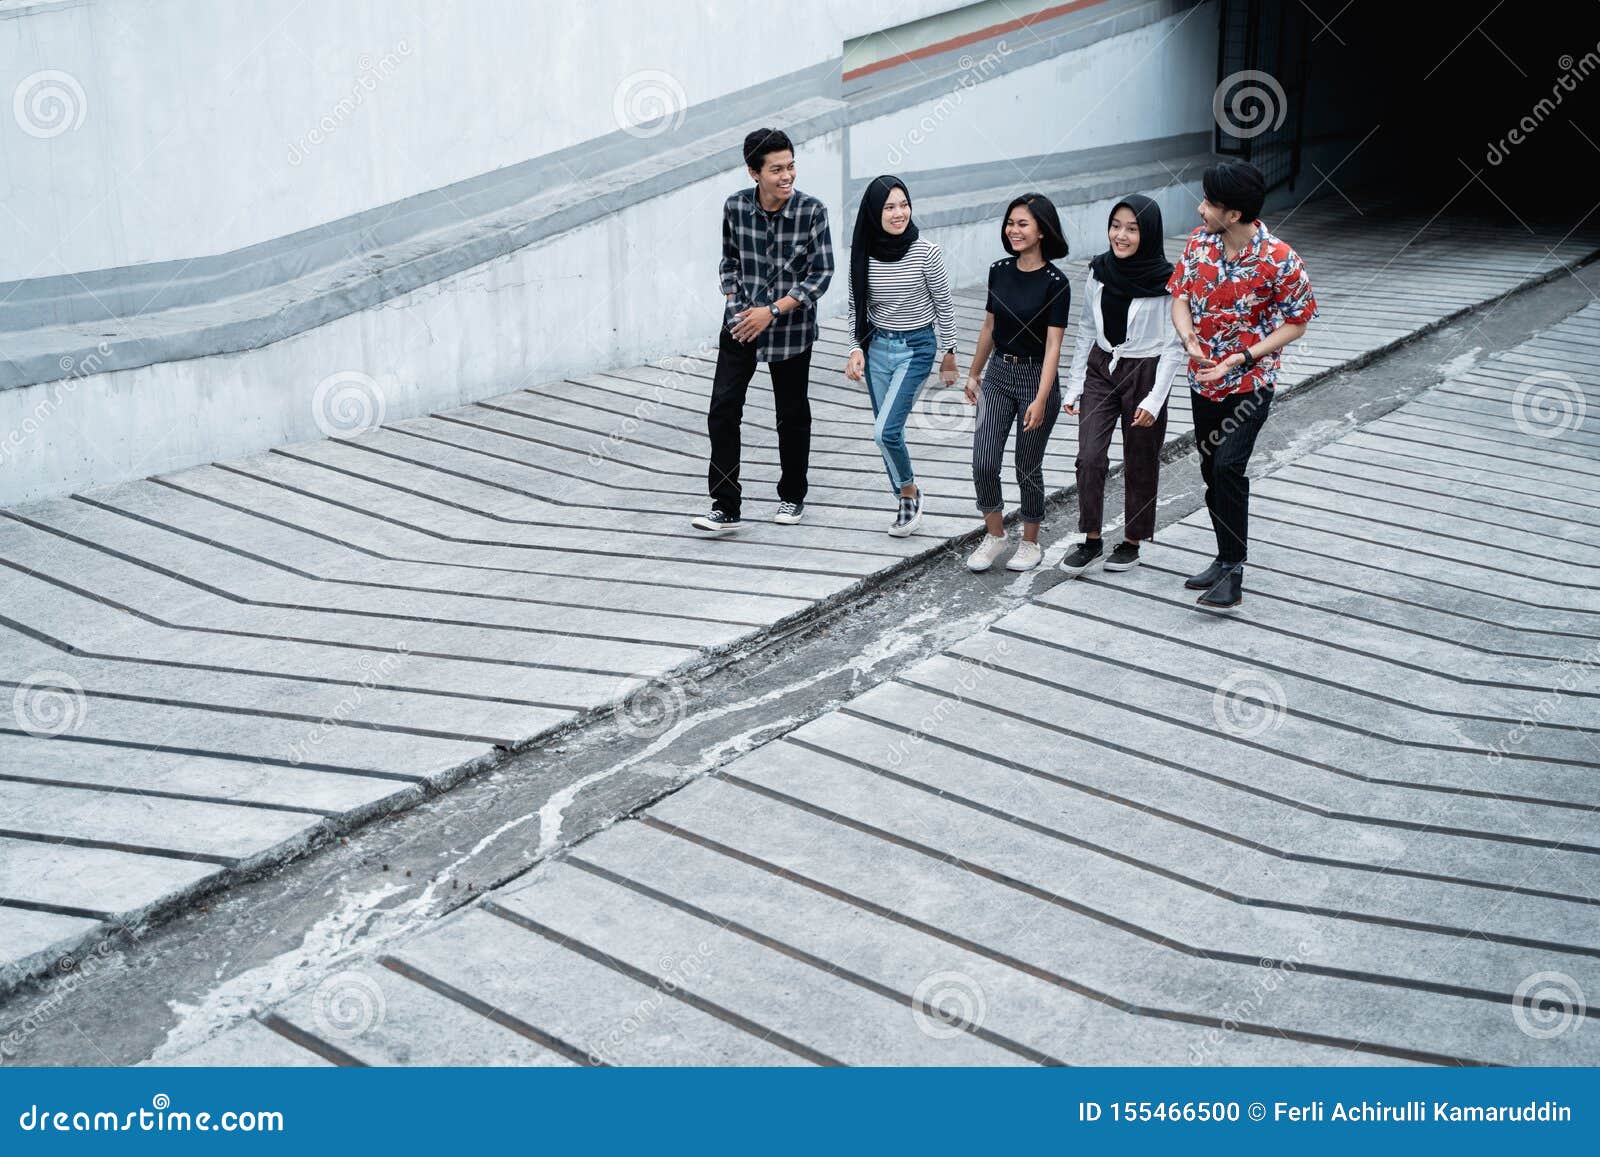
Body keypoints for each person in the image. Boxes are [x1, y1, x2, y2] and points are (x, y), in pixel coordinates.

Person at [1167, 160, 1317, 609]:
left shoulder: (1281, 260)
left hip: (1251, 382)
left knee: (1229, 467)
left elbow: (1298, 323)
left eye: (1209, 202)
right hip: (1202, 381)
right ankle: (1223, 556)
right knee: (1211, 470)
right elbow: (1179, 295)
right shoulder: (1199, 244)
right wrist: (1188, 335)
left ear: (1233, 214)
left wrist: (1246, 355)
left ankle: (1233, 570)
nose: (1200, 208)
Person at [693, 128, 834, 534]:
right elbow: (729, 262)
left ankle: (792, 496)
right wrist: (740, 308)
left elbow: (820, 275)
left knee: (791, 416)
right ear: (754, 172)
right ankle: (725, 505)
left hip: (790, 330)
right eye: (776, 169)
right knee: (722, 411)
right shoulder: (735, 207)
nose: (787, 175)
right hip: (740, 326)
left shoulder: (812, 212)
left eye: (790, 166)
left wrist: (771, 311)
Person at [1059, 194, 1183, 577]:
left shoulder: (1167, 281)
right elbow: (1085, 329)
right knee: (1089, 457)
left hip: (1145, 372)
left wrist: (1156, 397)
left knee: (1141, 459)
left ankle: (1132, 542)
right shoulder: (1099, 271)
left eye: (1132, 228)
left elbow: (1173, 345)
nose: (1121, 235)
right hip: (1101, 368)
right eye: (1116, 226)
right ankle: (1091, 540)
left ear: (1148, 233)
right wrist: (1075, 384)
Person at [844, 176, 959, 536]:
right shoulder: (862, 252)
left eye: (903, 204)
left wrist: (949, 351)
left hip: (916, 348)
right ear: (874, 213)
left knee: (884, 432)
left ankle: (908, 491)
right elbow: (856, 306)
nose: (899, 213)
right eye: (889, 207)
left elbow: (944, 305)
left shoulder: (926, 251)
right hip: (877, 347)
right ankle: (904, 495)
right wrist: (855, 348)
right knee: (887, 433)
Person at [963, 193, 1071, 572]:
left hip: (1035, 376)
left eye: (1023, 224)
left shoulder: (1056, 282)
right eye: (1010, 223)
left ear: (1042, 230)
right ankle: (994, 535)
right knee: (983, 462)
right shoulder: (1000, 270)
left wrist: (1041, 397)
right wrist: (974, 374)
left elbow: (1055, 346)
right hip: (998, 373)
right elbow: (989, 326)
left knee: (1027, 465)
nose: (1014, 230)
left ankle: (1030, 541)